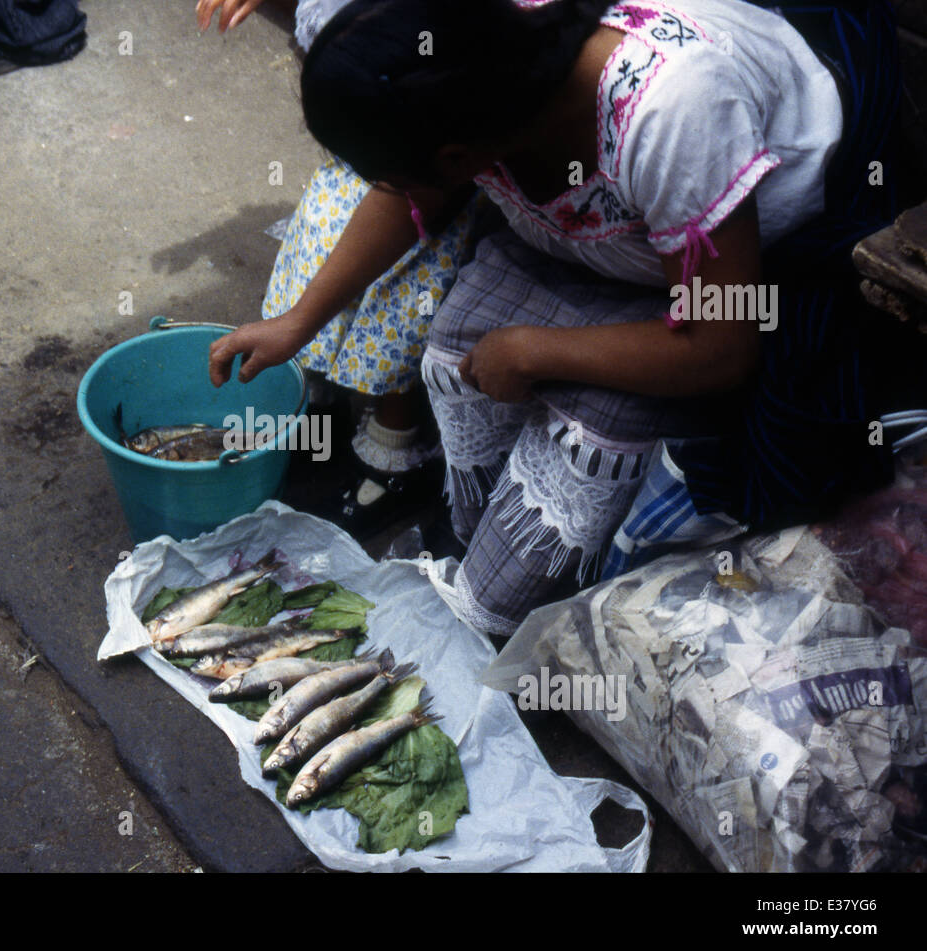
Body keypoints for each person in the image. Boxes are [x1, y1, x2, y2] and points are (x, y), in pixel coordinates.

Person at [209, 0, 926, 635]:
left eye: (397, 171)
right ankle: (481, 532)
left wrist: (538, 351)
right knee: (459, 347)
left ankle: (524, 588)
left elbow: (721, 343)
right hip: (619, 234)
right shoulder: (481, 87)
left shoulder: (671, 115)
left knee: (581, 418)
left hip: (719, 259)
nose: (394, 187)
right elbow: (412, 198)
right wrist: (298, 322)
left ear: (458, 155)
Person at [197, 0, 489, 535]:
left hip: (422, 161)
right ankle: (324, 412)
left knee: (395, 301)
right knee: (318, 248)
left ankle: (394, 449)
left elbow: (419, 188)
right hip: (366, 151)